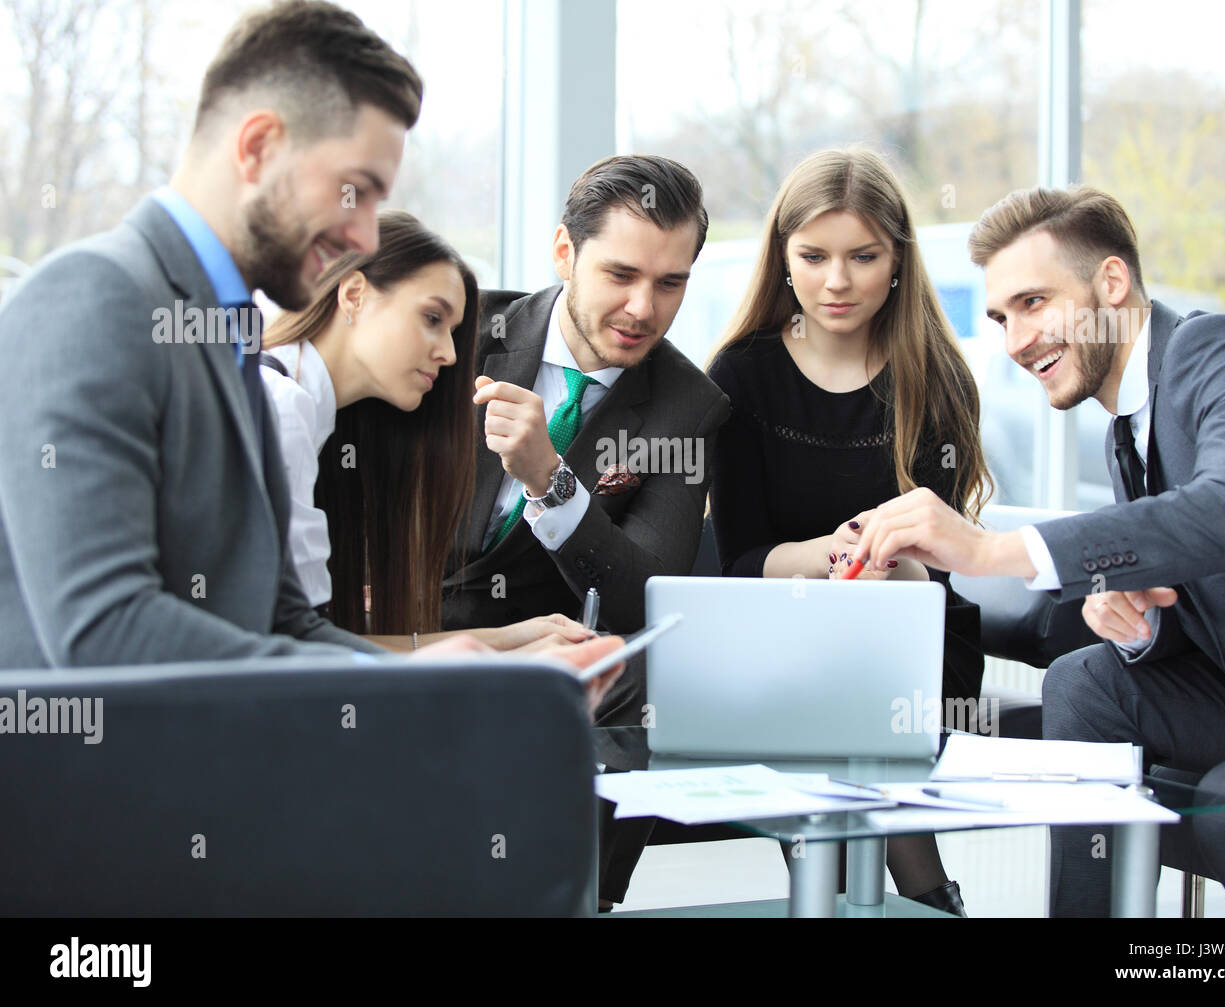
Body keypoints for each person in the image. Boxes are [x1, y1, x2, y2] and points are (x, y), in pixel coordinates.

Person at [0, 0, 623, 709]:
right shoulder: (93, 298)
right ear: (259, 145)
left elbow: (282, 623)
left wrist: (462, 676)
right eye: (353, 191)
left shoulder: (225, 337)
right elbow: (104, 631)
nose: (362, 237)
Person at [845, 185, 1225, 917]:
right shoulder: (1127, 428)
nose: (1016, 340)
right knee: (1087, 684)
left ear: (1111, 283)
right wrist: (1148, 626)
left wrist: (989, 549)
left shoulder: (1221, 350)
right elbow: (1221, 585)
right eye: (1001, 317)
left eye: (1034, 303)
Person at [705, 147, 991, 916]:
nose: (838, 281)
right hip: (781, 630)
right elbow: (739, 563)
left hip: (918, 633)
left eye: (863, 256)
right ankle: (929, 895)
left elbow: (939, 570)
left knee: (856, 690)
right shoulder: (739, 377)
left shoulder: (938, 376)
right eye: (815, 256)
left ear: (897, 260)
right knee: (830, 688)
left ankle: (830, 899)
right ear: (783, 259)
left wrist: (884, 563)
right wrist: (843, 550)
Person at [440, 154, 732, 907]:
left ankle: (581, 899)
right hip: (410, 624)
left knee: (641, 667)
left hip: (548, 656)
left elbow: (648, 599)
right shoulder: (464, 332)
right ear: (565, 252)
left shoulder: (684, 406)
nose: (643, 307)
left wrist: (552, 479)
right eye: (621, 274)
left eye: (671, 283)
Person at [261, 210, 593, 654]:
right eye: (432, 319)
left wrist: (505, 640)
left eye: (454, 331)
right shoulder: (281, 411)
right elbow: (305, 657)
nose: (451, 354)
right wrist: (498, 657)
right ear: (355, 294)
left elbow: (316, 641)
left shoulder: (299, 408)